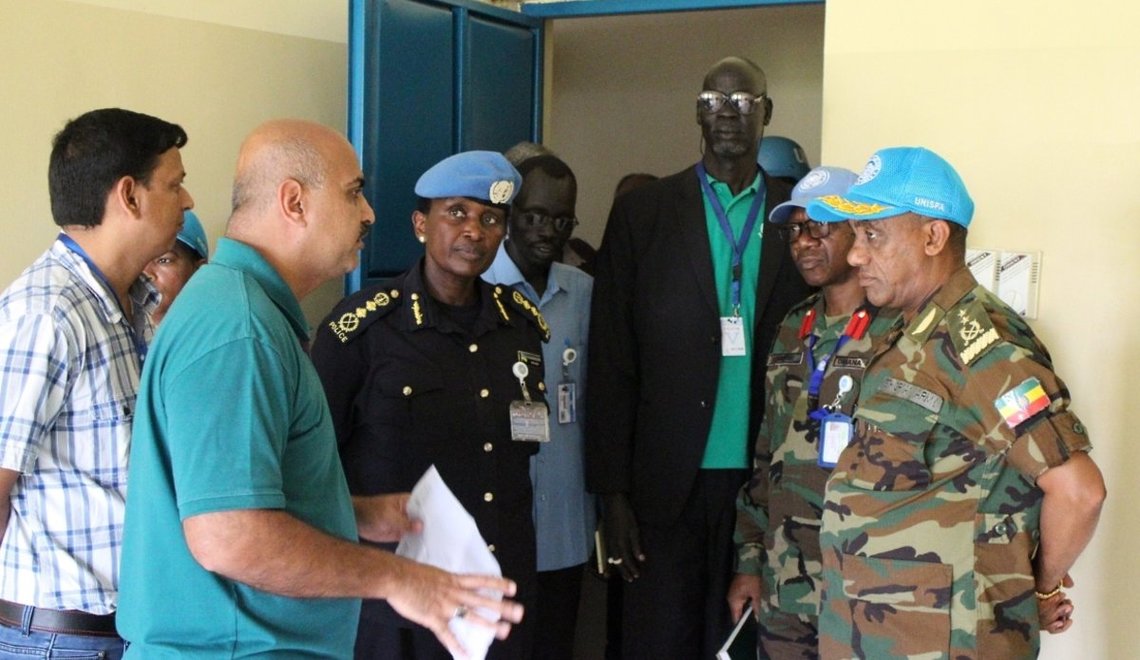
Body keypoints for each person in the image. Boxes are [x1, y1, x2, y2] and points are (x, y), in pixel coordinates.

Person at [117, 122, 523, 658]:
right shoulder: (239, 328)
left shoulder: (248, 311)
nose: (369, 213)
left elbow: (248, 493)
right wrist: (397, 577)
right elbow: (229, 536)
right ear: (295, 202)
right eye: (353, 193)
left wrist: (352, 513)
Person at [807, 146, 1106, 658]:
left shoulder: (977, 344)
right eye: (856, 235)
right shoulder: (906, 330)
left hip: (944, 639)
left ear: (933, 237)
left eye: (873, 235)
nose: (855, 256)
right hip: (877, 628)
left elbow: (1079, 491)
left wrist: (1038, 589)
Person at [586, 56, 812, 659]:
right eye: (714, 101)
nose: (727, 113)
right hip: (663, 484)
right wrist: (611, 495)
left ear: (767, 112)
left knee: (744, 642)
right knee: (660, 640)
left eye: (742, 102)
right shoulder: (644, 213)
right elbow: (611, 361)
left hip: (765, 482)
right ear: (697, 113)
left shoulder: (796, 219)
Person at [311, 150, 549, 660]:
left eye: (490, 219)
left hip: (496, 592)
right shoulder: (363, 330)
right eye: (456, 213)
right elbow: (311, 466)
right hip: (398, 598)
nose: (474, 231)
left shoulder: (519, 327)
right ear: (421, 224)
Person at [0, 108, 192, 658]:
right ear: (129, 195)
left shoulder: (130, 306)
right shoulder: (47, 313)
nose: (188, 201)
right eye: (174, 184)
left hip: (122, 629)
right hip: (58, 639)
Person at [727, 165, 896, 657]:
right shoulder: (793, 326)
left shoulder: (897, 331)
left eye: (819, 226)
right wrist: (750, 561)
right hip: (786, 582)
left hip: (865, 587)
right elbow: (767, 453)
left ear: (859, 232)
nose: (804, 242)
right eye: (796, 230)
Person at [482, 153, 593, 660]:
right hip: (495, 525)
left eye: (562, 220)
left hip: (566, 519)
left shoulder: (584, 293)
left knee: (555, 646)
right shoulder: (478, 286)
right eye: (534, 216)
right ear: (510, 214)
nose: (547, 231)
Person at [143, 209, 208, 324]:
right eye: (139, 260)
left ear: (198, 271)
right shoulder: (118, 326)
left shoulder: (212, 328)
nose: (146, 273)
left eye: (163, 260)